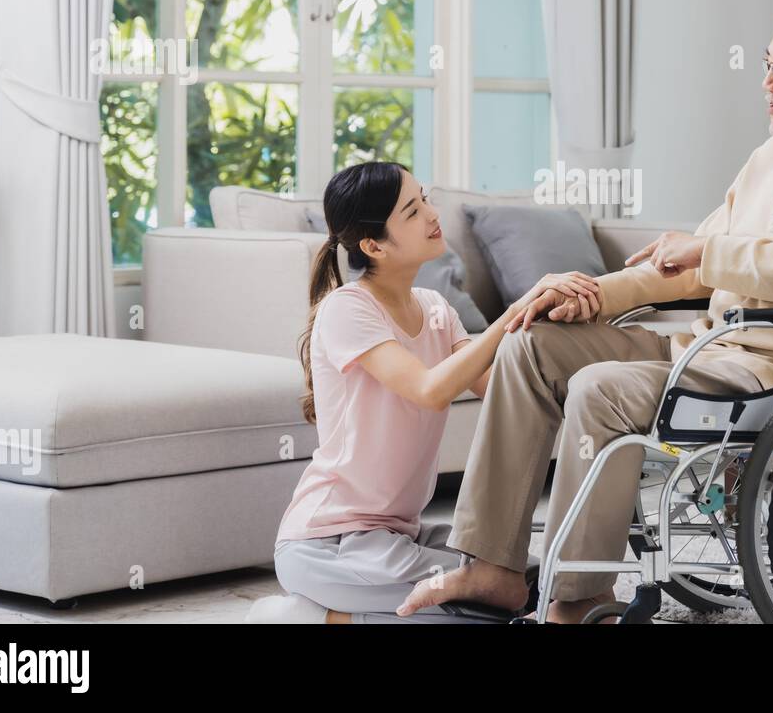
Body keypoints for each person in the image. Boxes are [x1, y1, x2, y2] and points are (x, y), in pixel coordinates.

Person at [397, 0, 773, 623]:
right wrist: (592, 294)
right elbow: (685, 267)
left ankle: (580, 593)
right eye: (765, 66)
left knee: (599, 388)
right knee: (528, 343)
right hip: (709, 349)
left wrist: (708, 250)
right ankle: (492, 568)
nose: (766, 84)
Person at [246, 160, 600, 623]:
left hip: (400, 535)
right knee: (484, 605)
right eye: (412, 211)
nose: (433, 215)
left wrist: (571, 353)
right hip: (328, 542)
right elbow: (429, 390)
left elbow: (501, 392)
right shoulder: (347, 310)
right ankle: (303, 617)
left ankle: (341, 611)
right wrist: (516, 306)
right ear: (374, 245)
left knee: (535, 581)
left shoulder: (436, 308)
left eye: (425, 199)